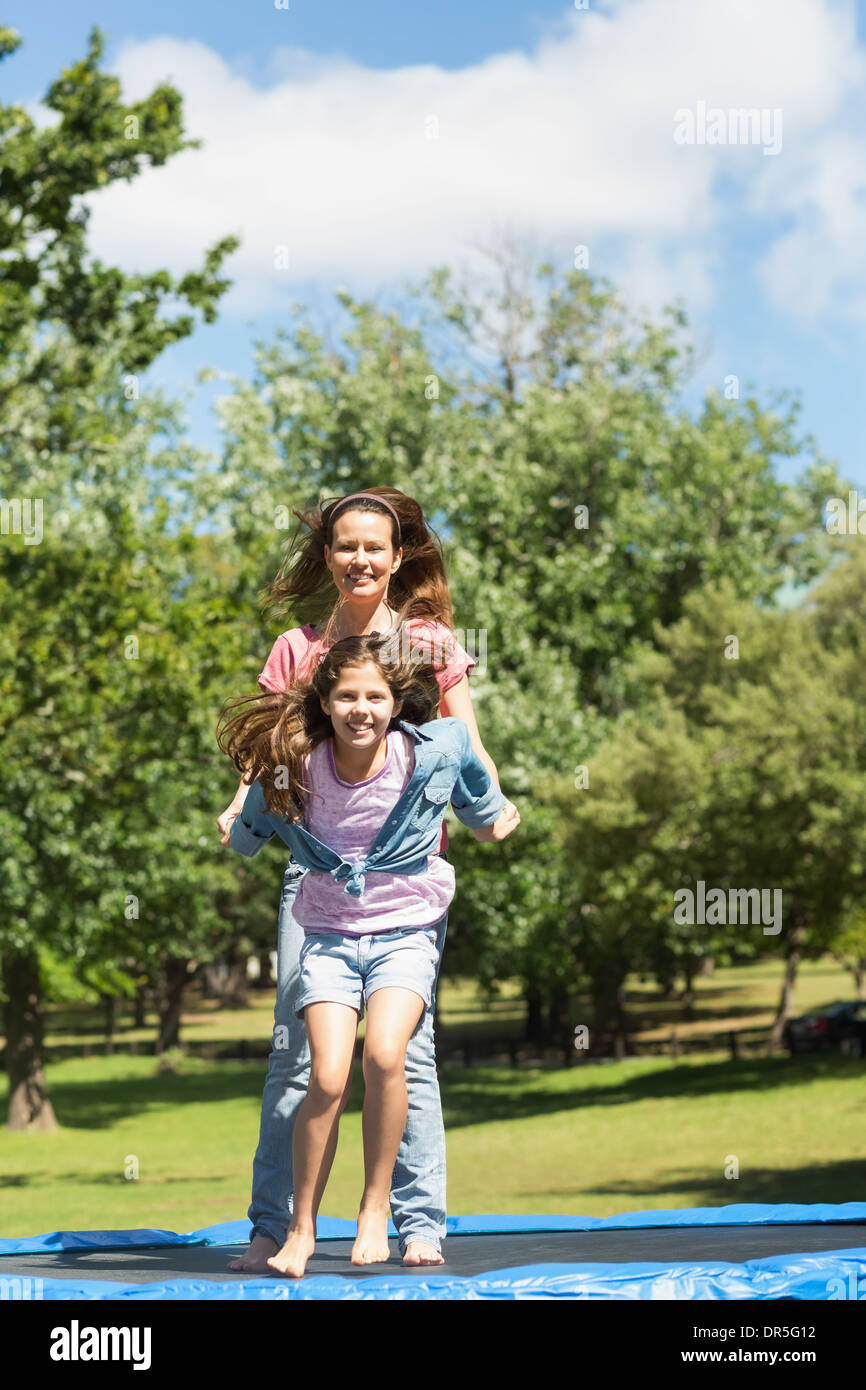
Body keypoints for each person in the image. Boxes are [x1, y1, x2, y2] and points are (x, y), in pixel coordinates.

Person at [215, 487, 507, 1269]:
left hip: (407, 878)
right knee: (298, 1055)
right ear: (328, 555)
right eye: (346, 546)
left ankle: (417, 1223)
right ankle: (275, 1226)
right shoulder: (297, 649)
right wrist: (240, 804)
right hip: (319, 877)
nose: (360, 559)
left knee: (402, 1055)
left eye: (374, 547)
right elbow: (269, 752)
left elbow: (466, 741)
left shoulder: (430, 642)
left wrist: (492, 805)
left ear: (397, 555)